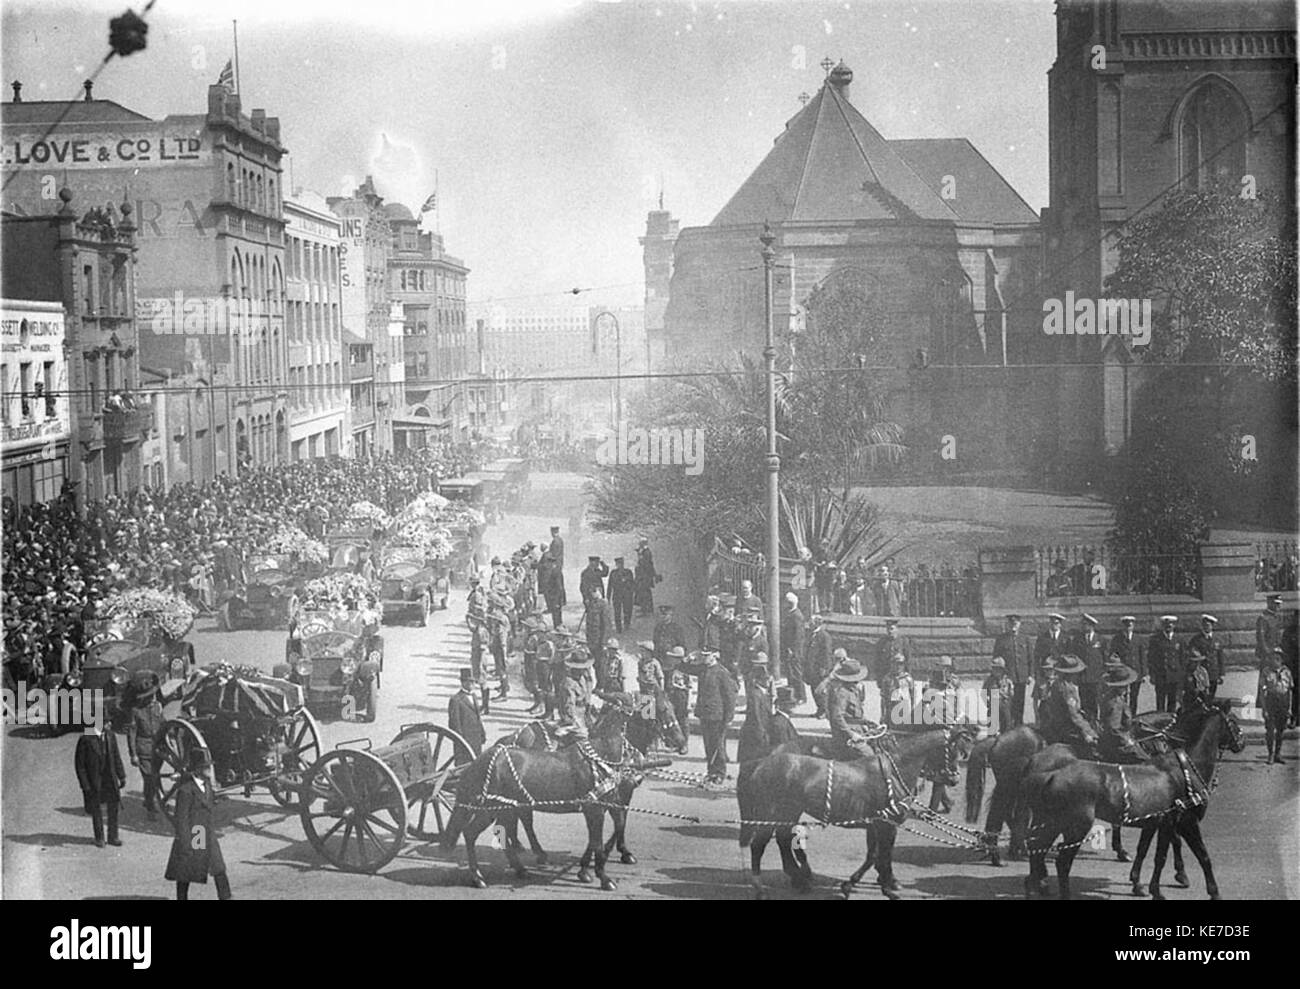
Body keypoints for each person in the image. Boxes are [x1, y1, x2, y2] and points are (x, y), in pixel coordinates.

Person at [165, 748, 231, 900]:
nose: (210, 769)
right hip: (197, 834)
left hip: (208, 831)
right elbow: (181, 819)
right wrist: (186, 843)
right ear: (197, 769)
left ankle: (226, 897)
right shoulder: (186, 790)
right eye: (206, 767)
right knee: (187, 869)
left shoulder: (206, 784)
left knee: (218, 867)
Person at [75, 712, 127, 848]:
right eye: (107, 722)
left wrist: (122, 776)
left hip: (109, 779)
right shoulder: (86, 739)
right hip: (95, 780)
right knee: (96, 809)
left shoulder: (110, 736)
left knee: (113, 808)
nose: (110, 724)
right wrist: (85, 785)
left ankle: (113, 837)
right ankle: (99, 838)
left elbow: (116, 757)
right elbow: (80, 766)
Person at [690, 649, 736, 785]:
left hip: (717, 715)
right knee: (708, 745)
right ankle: (711, 771)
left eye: (707, 656)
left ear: (714, 656)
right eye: (703, 655)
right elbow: (684, 668)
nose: (704, 658)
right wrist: (687, 659)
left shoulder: (722, 673)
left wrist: (729, 718)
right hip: (705, 714)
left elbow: (730, 697)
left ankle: (720, 772)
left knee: (718, 745)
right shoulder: (703, 670)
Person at [125, 672, 165, 821]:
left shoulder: (158, 707)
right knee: (149, 778)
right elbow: (132, 733)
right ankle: (150, 806)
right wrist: (133, 754)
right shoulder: (136, 711)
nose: (153, 697)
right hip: (144, 749)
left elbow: (163, 723)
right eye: (150, 696)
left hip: (158, 748)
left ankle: (152, 797)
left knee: (155, 775)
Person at [1037, 655, 1098, 749]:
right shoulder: (1067, 689)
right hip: (1066, 729)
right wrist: (1088, 732)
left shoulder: (1058, 683)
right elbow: (1073, 715)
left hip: (1057, 725)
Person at [1096, 658, 1143, 764]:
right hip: (1116, 744)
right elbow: (1114, 729)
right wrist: (1129, 741)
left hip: (1117, 736)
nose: (1127, 688)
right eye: (1125, 686)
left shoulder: (1112, 695)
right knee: (1144, 758)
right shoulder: (1116, 702)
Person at [826, 656, 874, 760]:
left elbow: (854, 714)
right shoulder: (842, 693)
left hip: (858, 730)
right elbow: (837, 717)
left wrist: (867, 722)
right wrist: (851, 734)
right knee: (869, 756)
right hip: (846, 737)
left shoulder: (853, 690)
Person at [992, 614, 1032, 728]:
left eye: (1015, 623)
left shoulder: (1025, 638)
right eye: (1011, 624)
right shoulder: (1001, 639)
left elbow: (1030, 658)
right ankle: (1008, 725)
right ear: (1008, 625)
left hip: (1022, 676)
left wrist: (1030, 674)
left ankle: (1019, 724)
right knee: (1008, 702)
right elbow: (996, 657)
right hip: (1007, 677)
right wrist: (1000, 676)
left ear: (1019, 624)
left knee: (1020, 702)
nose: (1013, 626)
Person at [1258, 648, 1293, 764]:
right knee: (1270, 730)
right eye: (1273, 657)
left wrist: (1289, 708)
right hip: (1271, 702)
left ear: (1282, 659)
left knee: (1280, 730)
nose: (1276, 660)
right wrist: (1264, 709)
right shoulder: (1266, 672)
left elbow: (1290, 691)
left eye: (1278, 657)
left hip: (1283, 702)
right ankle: (1270, 754)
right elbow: (1262, 692)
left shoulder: (1286, 672)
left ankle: (1278, 753)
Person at [736, 655, 775, 763]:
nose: (768, 682)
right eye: (766, 680)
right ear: (760, 680)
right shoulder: (755, 695)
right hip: (755, 730)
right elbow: (756, 715)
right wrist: (761, 731)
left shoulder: (762, 693)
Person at [1109, 615, 1147, 713]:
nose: (1128, 627)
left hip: (1136, 671)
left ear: (1133, 626)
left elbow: (1142, 656)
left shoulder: (1138, 639)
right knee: (1122, 695)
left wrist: (1143, 673)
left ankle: (1132, 716)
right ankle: (1123, 716)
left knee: (1134, 696)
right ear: (1123, 626)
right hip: (1123, 673)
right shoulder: (1117, 639)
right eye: (1126, 625)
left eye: (1130, 625)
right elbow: (1113, 655)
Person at [448, 669, 486, 765]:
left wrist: (482, 733)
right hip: (464, 743)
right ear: (463, 682)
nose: (472, 684)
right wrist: (461, 742)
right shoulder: (456, 700)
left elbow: (478, 718)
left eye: (473, 682)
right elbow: (454, 725)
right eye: (469, 681)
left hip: (476, 740)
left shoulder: (474, 696)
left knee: (476, 766)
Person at [1072, 614, 1105, 722]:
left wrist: (1103, 673)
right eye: (1083, 624)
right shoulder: (1077, 640)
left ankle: (1094, 722)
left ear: (1092, 626)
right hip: (1082, 677)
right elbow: (1075, 657)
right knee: (1084, 702)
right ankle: (1086, 723)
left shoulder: (1100, 639)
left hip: (1096, 677)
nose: (1083, 627)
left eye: (1086, 625)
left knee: (1094, 701)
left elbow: (1105, 657)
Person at [1148, 615, 1183, 714]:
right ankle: (1160, 722)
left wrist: (1181, 675)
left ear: (1174, 626)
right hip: (1161, 675)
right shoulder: (1155, 640)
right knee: (1160, 701)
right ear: (1163, 626)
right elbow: (1151, 659)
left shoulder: (1179, 640)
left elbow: (1182, 658)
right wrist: (1152, 675)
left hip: (1174, 675)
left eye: (1171, 624)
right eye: (1166, 625)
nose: (1169, 626)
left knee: (1172, 701)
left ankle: (1171, 722)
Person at [1186, 614, 1225, 698]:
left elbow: (1220, 657)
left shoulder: (1217, 640)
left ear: (1212, 626)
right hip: (1201, 673)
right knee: (1201, 696)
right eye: (1204, 625)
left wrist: (1221, 674)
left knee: (1212, 695)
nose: (1206, 627)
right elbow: (1191, 655)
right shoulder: (1196, 639)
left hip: (1213, 672)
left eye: (1208, 625)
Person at [805, 612, 834, 715]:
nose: (809, 624)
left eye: (811, 622)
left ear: (816, 624)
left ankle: (824, 710)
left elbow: (827, 653)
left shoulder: (824, 636)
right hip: (812, 667)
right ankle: (819, 709)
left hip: (820, 668)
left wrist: (824, 668)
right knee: (813, 688)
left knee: (820, 690)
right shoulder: (811, 634)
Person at [663, 645, 691, 748]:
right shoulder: (669, 670)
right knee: (671, 718)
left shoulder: (685, 671)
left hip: (681, 696)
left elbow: (688, 686)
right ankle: (673, 741)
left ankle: (684, 743)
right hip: (671, 695)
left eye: (676, 658)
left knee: (682, 719)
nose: (674, 660)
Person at [880, 652, 916, 729]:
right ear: (892, 664)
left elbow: (912, 697)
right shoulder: (887, 679)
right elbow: (883, 699)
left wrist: (912, 712)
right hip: (891, 710)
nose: (898, 666)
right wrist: (883, 715)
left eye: (901, 664)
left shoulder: (908, 679)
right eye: (895, 664)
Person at [780, 591, 804, 697]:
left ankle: (800, 695)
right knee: (790, 671)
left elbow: (798, 636)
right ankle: (793, 694)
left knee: (796, 672)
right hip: (788, 647)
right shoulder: (790, 613)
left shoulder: (796, 615)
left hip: (794, 649)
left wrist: (792, 649)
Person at [984, 656, 1016, 735]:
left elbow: (1011, 694)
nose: (996, 671)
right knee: (992, 727)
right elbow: (983, 693)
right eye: (994, 669)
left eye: (998, 669)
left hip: (1004, 705)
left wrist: (1009, 703)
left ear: (1002, 670)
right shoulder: (989, 680)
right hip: (993, 705)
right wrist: (987, 703)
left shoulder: (1007, 680)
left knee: (1006, 727)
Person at [608, 556, 636, 633]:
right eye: (618, 563)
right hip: (617, 595)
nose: (620, 565)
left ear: (623, 564)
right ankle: (618, 627)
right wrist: (608, 597)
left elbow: (633, 584)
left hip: (627, 595)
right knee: (617, 612)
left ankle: (627, 625)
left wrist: (632, 593)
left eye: (621, 563)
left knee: (627, 611)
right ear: (616, 564)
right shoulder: (613, 573)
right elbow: (610, 585)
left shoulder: (628, 572)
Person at [634, 538, 658, 616]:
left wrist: (640, 555)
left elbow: (646, 564)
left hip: (645, 576)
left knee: (644, 592)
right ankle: (647, 609)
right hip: (644, 576)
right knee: (645, 592)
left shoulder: (646, 552)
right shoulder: (645, 552)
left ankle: (645, 610)